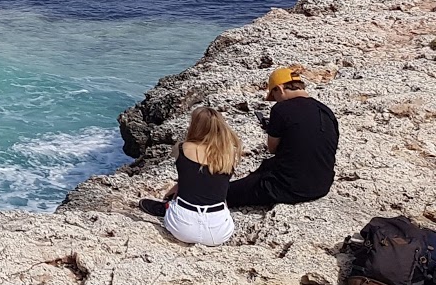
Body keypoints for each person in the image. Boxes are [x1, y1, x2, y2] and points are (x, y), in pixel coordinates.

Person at [226, 67, 339, 209]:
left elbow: (272, 148)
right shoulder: (325, 111)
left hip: (290, 187)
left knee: (225, 193)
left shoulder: (281, 109)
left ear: (279, 89)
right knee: (267, 166)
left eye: (274, 97)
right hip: (322, 185)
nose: (276, 101)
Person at [140, 107, 240, 246]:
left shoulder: (181, 148)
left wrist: (174, 190)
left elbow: (191, 174)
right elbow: (207, 179)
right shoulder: (230, 154)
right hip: (218, 233)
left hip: (182, 228)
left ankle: (167, 207)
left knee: (177, 200)